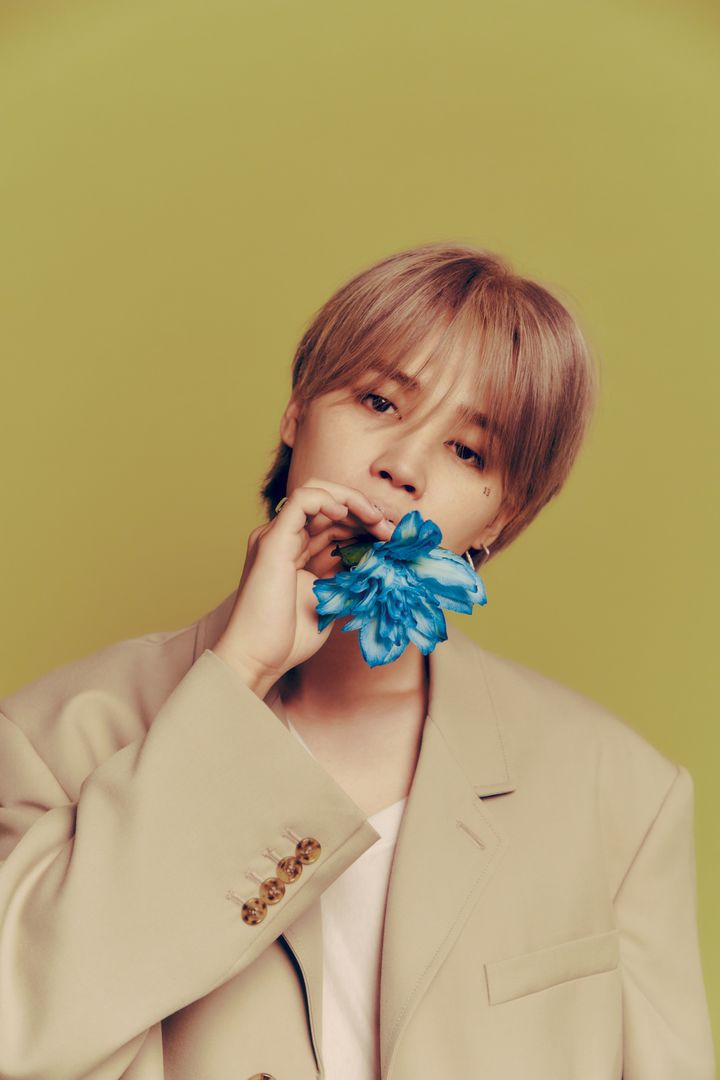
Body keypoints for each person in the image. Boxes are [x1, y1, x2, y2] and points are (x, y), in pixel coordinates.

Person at [0, 242, 714, 1080]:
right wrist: (237, 676)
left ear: (502, 517)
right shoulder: (52, 739)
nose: (401, 467)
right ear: (296, 412)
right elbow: (18, 1029)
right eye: (379, 401)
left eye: (468, 451)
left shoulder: (622, 794)